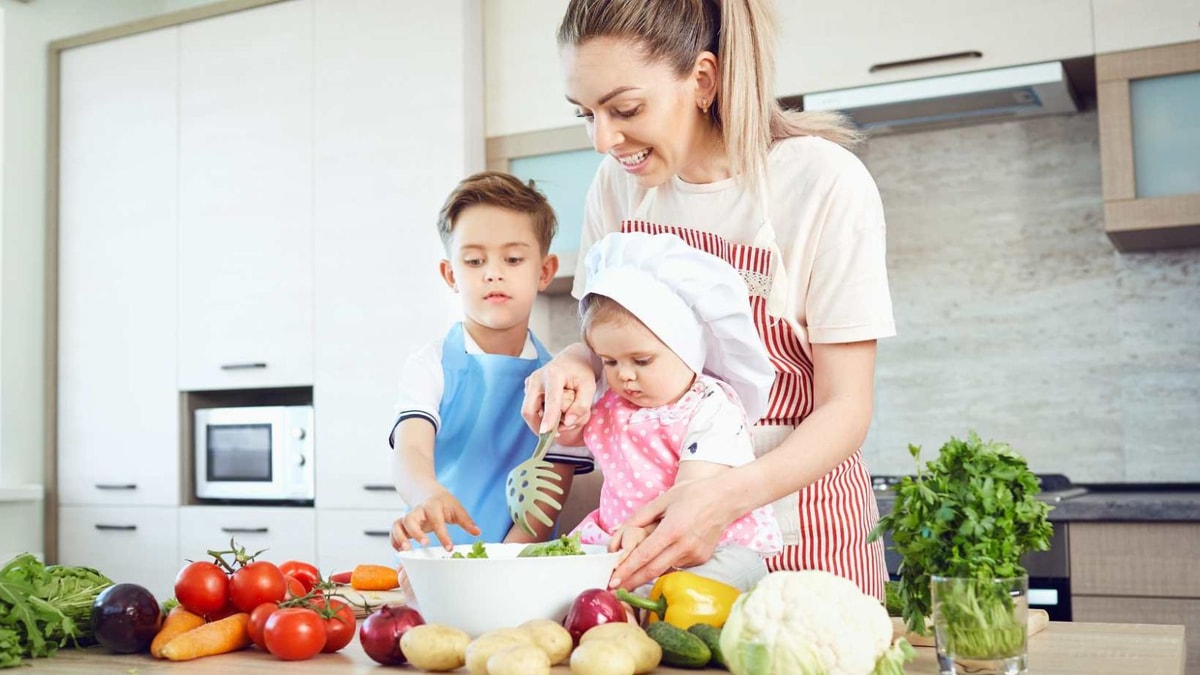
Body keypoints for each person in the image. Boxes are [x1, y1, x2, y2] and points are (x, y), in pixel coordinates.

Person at [521, 0, 895, 600]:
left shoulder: (823, 182)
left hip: (800, 521)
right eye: (585, 114)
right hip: (650, 532)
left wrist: (720, 498)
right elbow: (606, 335)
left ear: (702, 79)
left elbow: (846, 407)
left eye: (625, 109)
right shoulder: (616, 187)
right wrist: (575, 361)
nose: (603, 140)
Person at [390, 171, 592, 552]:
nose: (493, 273)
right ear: (450, 274)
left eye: (513, 259)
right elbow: (411, 451)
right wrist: (426, 493)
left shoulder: (561, 385)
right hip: (433, 564)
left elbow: (544, 506)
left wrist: (496, 567)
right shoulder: (429, 365)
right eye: (474, 260)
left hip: (517, 565)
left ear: (545, 271)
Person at [571, 231, 782, 592]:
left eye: (641, 360)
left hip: (706, 545)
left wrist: (649, 535)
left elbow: (692, 489)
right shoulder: (613, 405)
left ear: (687, 349)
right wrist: (567, 415)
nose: (624, 375)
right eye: (609, 361)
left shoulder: (710, 406)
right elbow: (573, 438)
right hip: (624, 542)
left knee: (721, 574)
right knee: (571, 579)